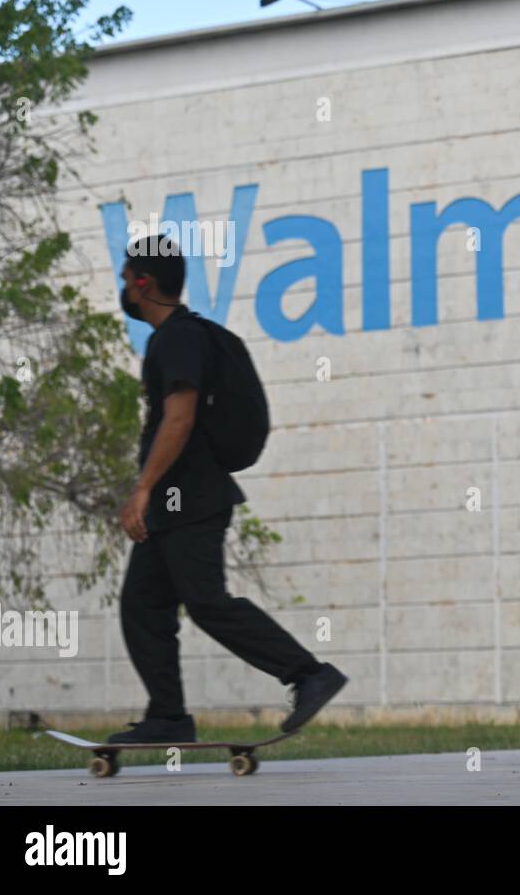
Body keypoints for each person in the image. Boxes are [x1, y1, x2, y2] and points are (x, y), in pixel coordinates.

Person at [109, 234, 346, 744]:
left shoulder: (175, 338)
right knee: (142, 604)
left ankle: (308, 674)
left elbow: (180, 414)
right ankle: (168, 717)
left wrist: (144, 488)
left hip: (190, 498)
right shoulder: (184, 335)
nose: (123, 287)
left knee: (207, 602)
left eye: (126, 278)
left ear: (144, 283)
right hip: (178, 505)